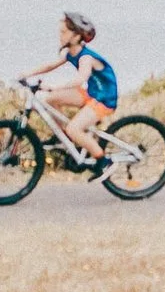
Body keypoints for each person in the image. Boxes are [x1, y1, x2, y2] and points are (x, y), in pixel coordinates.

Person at [21, 10, 119, 173]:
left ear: (76, 36)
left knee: (74, 128)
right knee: (49, 100)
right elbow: (49, 66)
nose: (60, 35)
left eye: (64, 32)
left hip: (104, 100)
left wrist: (53, 86)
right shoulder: (70, 53)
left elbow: (81, 78)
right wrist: (26, 74)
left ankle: (103, 161)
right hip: (91, 93)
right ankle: (64, 138)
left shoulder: (86, 57)